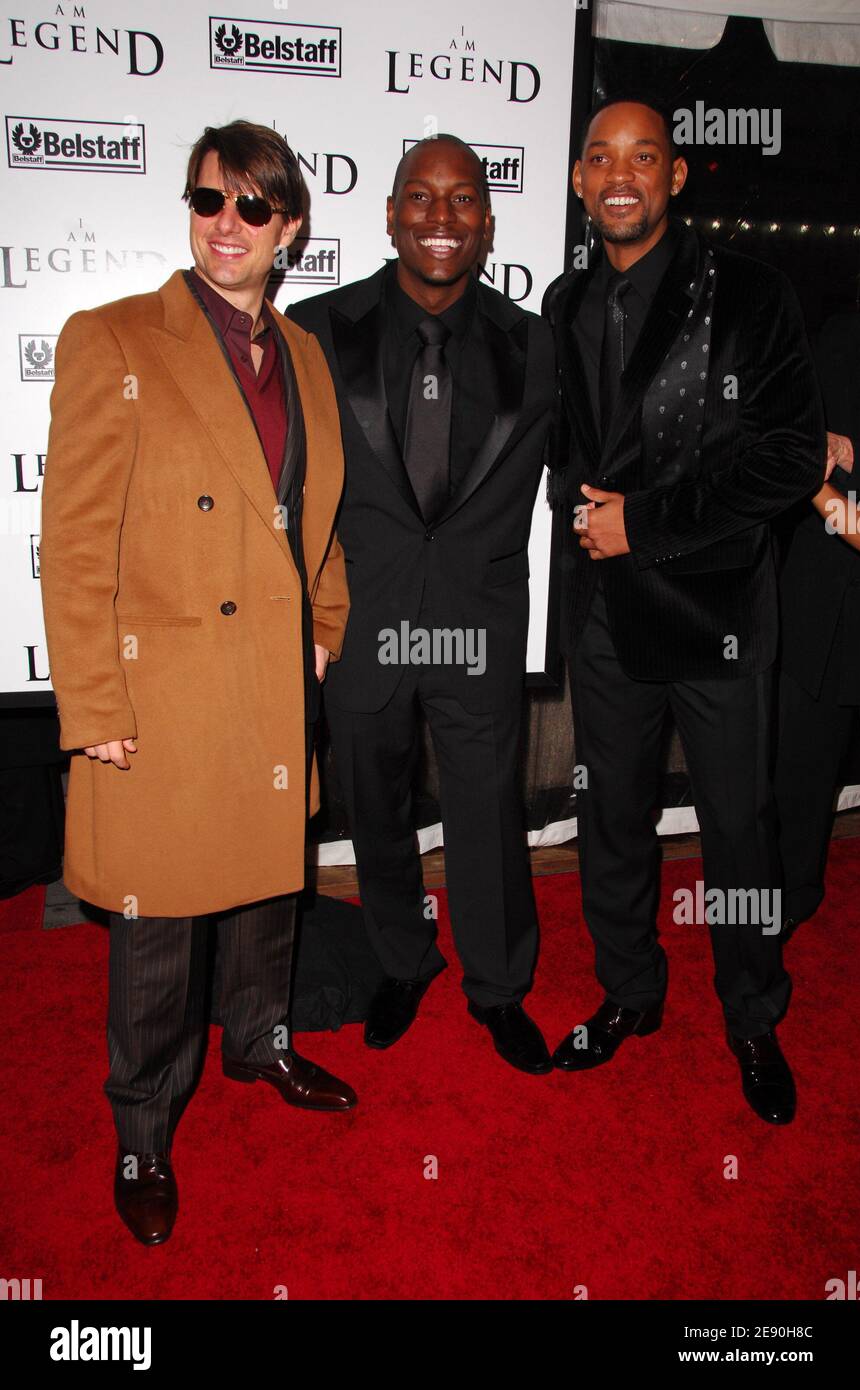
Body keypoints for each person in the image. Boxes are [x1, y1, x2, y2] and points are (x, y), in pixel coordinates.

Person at [39, 120, 355, 1246]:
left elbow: (316, 516)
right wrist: (95, 709)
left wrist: (324, 620)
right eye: (208, 200)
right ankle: (143, 1125)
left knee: (270, 896)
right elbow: (73, 545)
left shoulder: (308, 357)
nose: (227, 224)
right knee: (158, 931)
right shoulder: (113, 339)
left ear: (290, 229)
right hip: (161, 691)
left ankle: (260, 1041)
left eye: (253, 206)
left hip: (268, 689)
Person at [543, 95, 824, 1124]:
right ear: (579, 181)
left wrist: (645, 522)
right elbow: (568, 449)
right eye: (601, 157)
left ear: (673, 177)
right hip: (607, 620)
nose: (620, 174)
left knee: (735, 831)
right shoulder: (563, 305)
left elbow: (789, 455)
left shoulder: (744, 290)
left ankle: (751, 1012)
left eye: (643, 156)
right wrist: (583, 527)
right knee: (607, 819)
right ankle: (628, 991)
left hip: (715, 616)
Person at [288, 135, 556, 1073]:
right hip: (364, 622)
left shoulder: (538, 346)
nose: (439, 218)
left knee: (489, 812)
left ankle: (499, 986)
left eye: (461, 199)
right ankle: (402, 959)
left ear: (486, 220)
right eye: (420, 197)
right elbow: (283, 487)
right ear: (391, 212)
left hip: (481, 623)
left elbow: (609, 461)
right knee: (374, 804)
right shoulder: (317, 330)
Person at [774, 308, 860, 942]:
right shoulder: (832, 340)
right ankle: (784, 894)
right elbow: (783, 445)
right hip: (822, 597)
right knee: (800, 768)